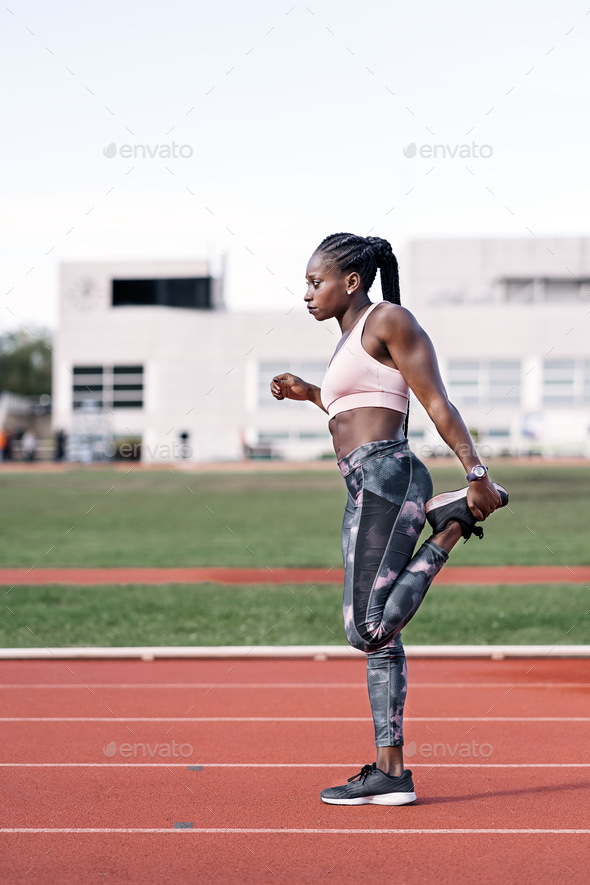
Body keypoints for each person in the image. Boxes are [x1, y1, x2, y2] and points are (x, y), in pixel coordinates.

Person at [271, 232, 508, 807]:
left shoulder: (389, 320)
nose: (306, 293)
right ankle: (391, 772)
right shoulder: (348, 340)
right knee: (382, 639)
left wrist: (476, 473)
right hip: (367, 483)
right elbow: (359, 408)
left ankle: (451, 523)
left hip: (388, 477)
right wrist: (309, 394)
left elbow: (436, 401)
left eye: (314, 281)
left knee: (367, 628)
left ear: (350, 281)